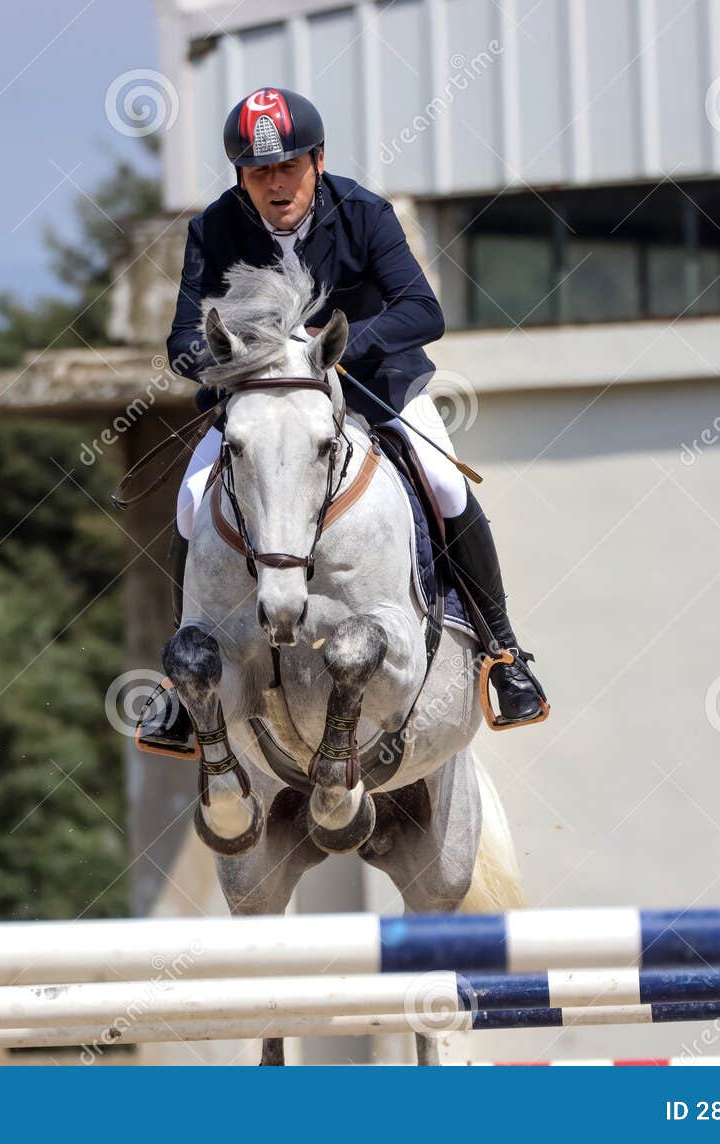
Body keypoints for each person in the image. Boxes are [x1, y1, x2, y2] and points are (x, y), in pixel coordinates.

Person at [137, 86, 546, 753]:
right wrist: (241, 359)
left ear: (317, 161)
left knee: (445, 483)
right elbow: (183, 340)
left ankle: (504, 653)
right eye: (259, 172)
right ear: (240, 175)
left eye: (288, 167)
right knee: (189, 503)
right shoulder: (212, 229)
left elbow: (423, 312)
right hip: (264, 400)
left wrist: (333, 349)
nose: (276, 184)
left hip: (369, 387)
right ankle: (182, 683)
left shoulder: (363, 213)